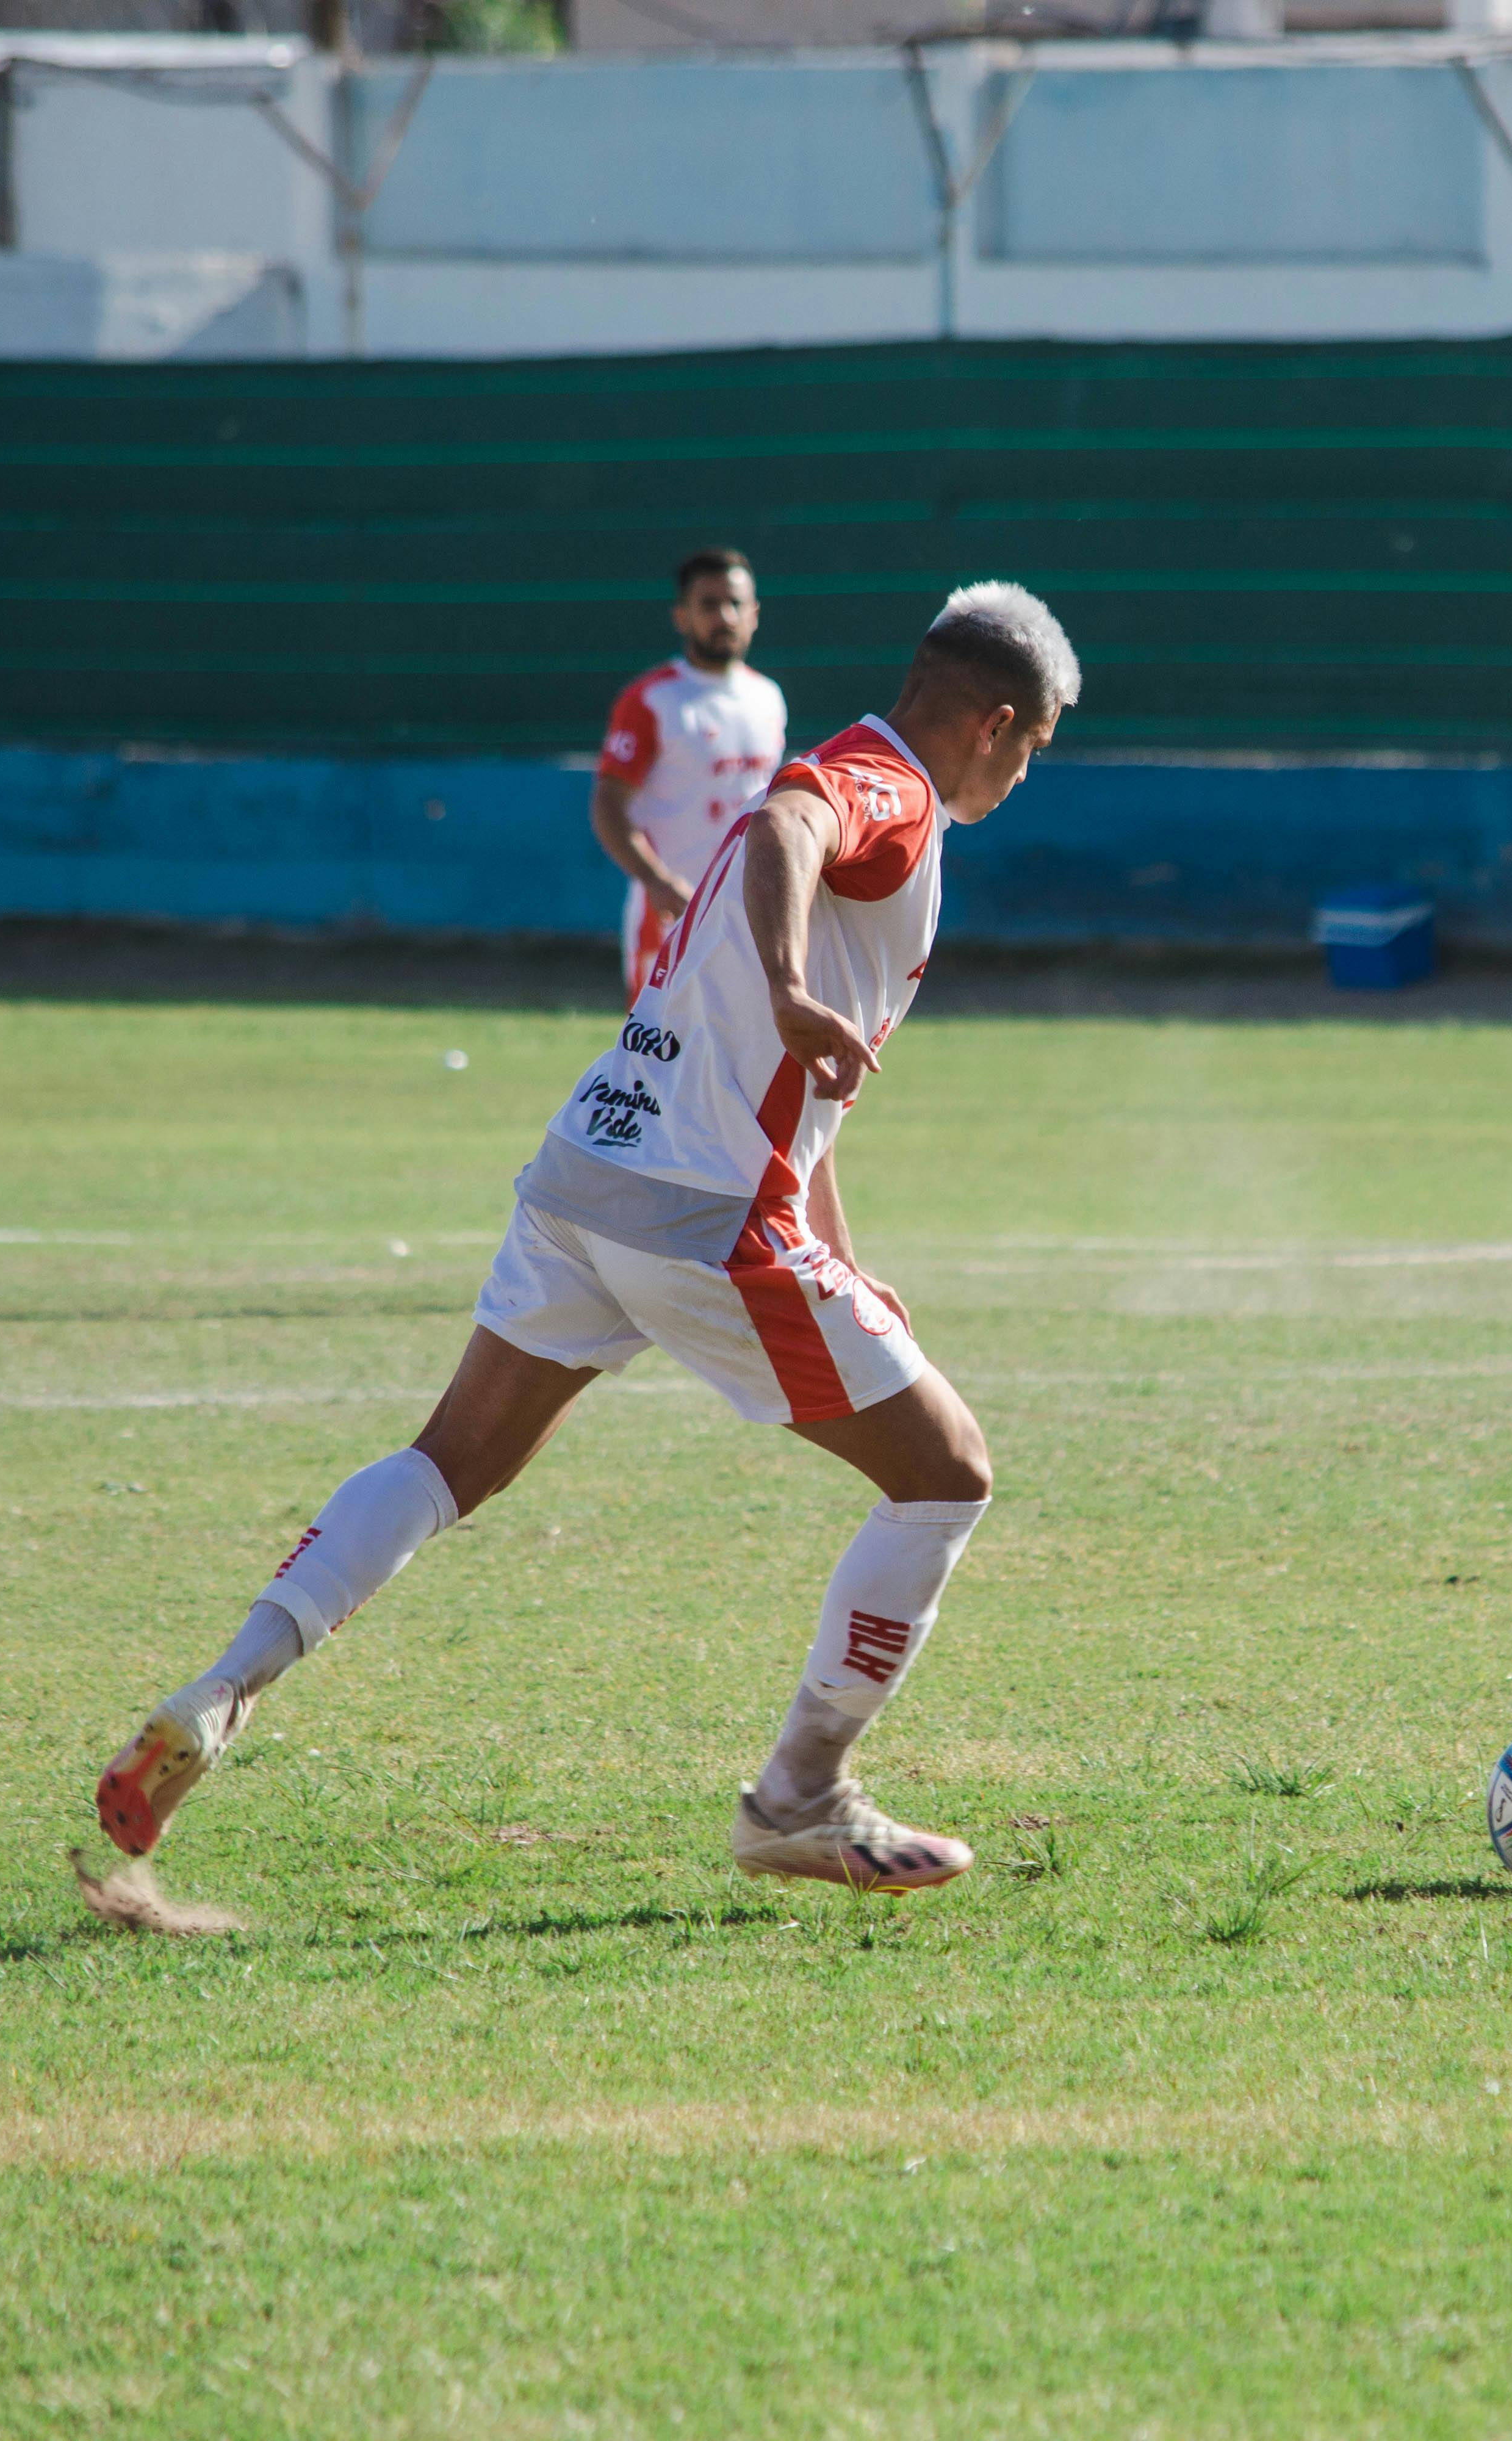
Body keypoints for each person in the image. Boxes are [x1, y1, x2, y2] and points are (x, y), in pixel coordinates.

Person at [94, 584, 1080, 1895]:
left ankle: (222, 1689)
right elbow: (792, 825)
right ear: (994, 723)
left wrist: (841, 1231)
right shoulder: (886, 793)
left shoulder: (856, 763)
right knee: (946, 1473)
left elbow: (780, 1058)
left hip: (588, 1169)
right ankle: (799, 1796)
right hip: (703, 1217)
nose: (1021, 776)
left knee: (449, 1460)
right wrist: (791, 988)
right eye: (1032, 750)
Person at [592, 549, 790, 1003]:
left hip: (750, 916)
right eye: (709, 604)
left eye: (736, 603)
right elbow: (609, 804)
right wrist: (657, 881)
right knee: (656, 1063)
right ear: (682, 616)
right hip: (669, 918)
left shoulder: (769, 699)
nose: (725, 616)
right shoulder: (653, 700)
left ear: (754, 613)